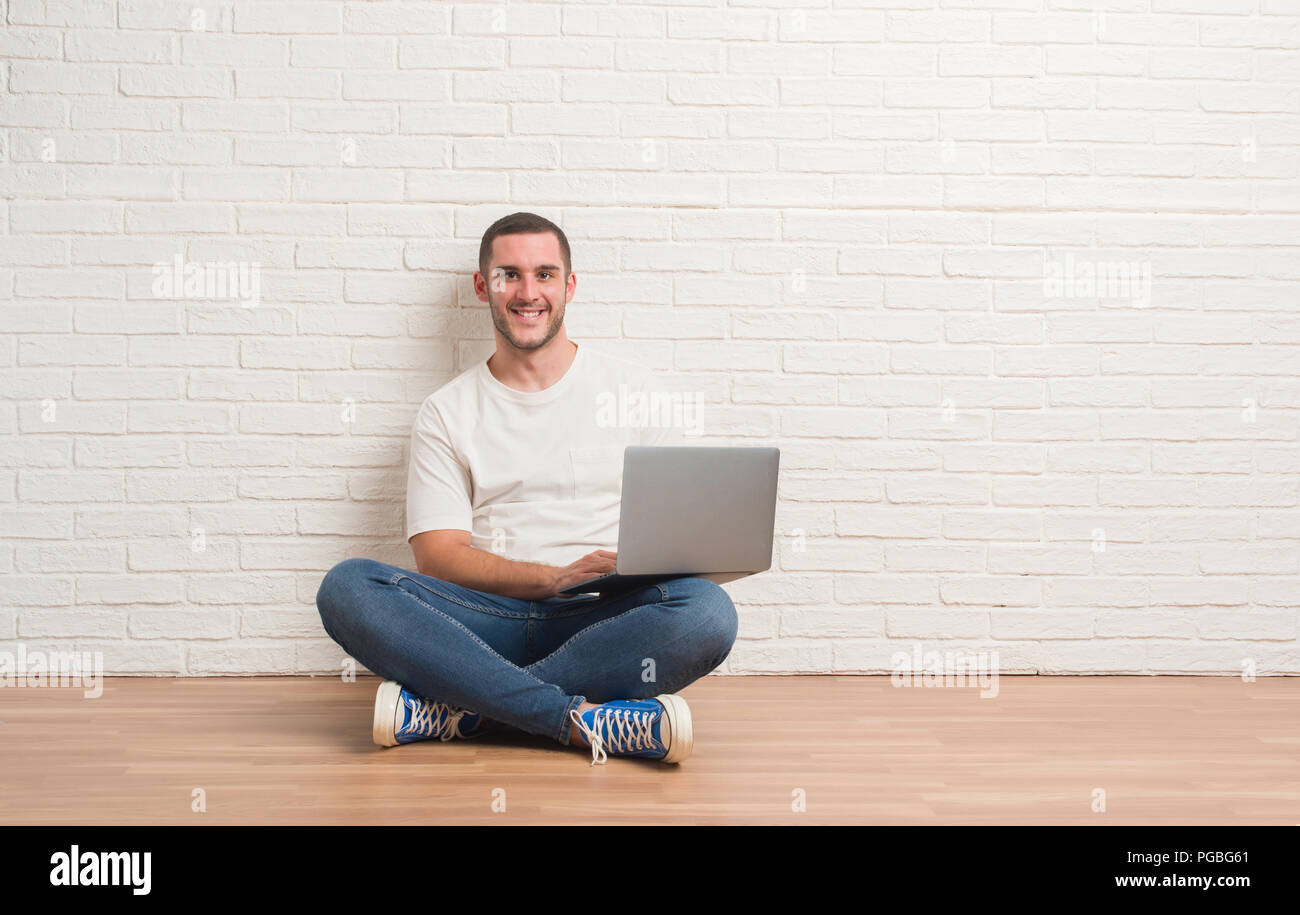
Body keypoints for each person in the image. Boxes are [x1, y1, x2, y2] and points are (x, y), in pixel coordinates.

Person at [315, 211, 738, 766]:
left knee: (707, 611)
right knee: (348, 587)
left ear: (569, 286)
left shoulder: (635, 391)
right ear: (481, 285)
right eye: (508, 274)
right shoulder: (447, 411)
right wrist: (549, 578)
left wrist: (609, 576)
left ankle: (460, 711)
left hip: (600, 618)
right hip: (484, 620)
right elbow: (439, 558)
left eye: (544, 274)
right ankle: (576, 720)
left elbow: (676, 538)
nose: (527, 292)